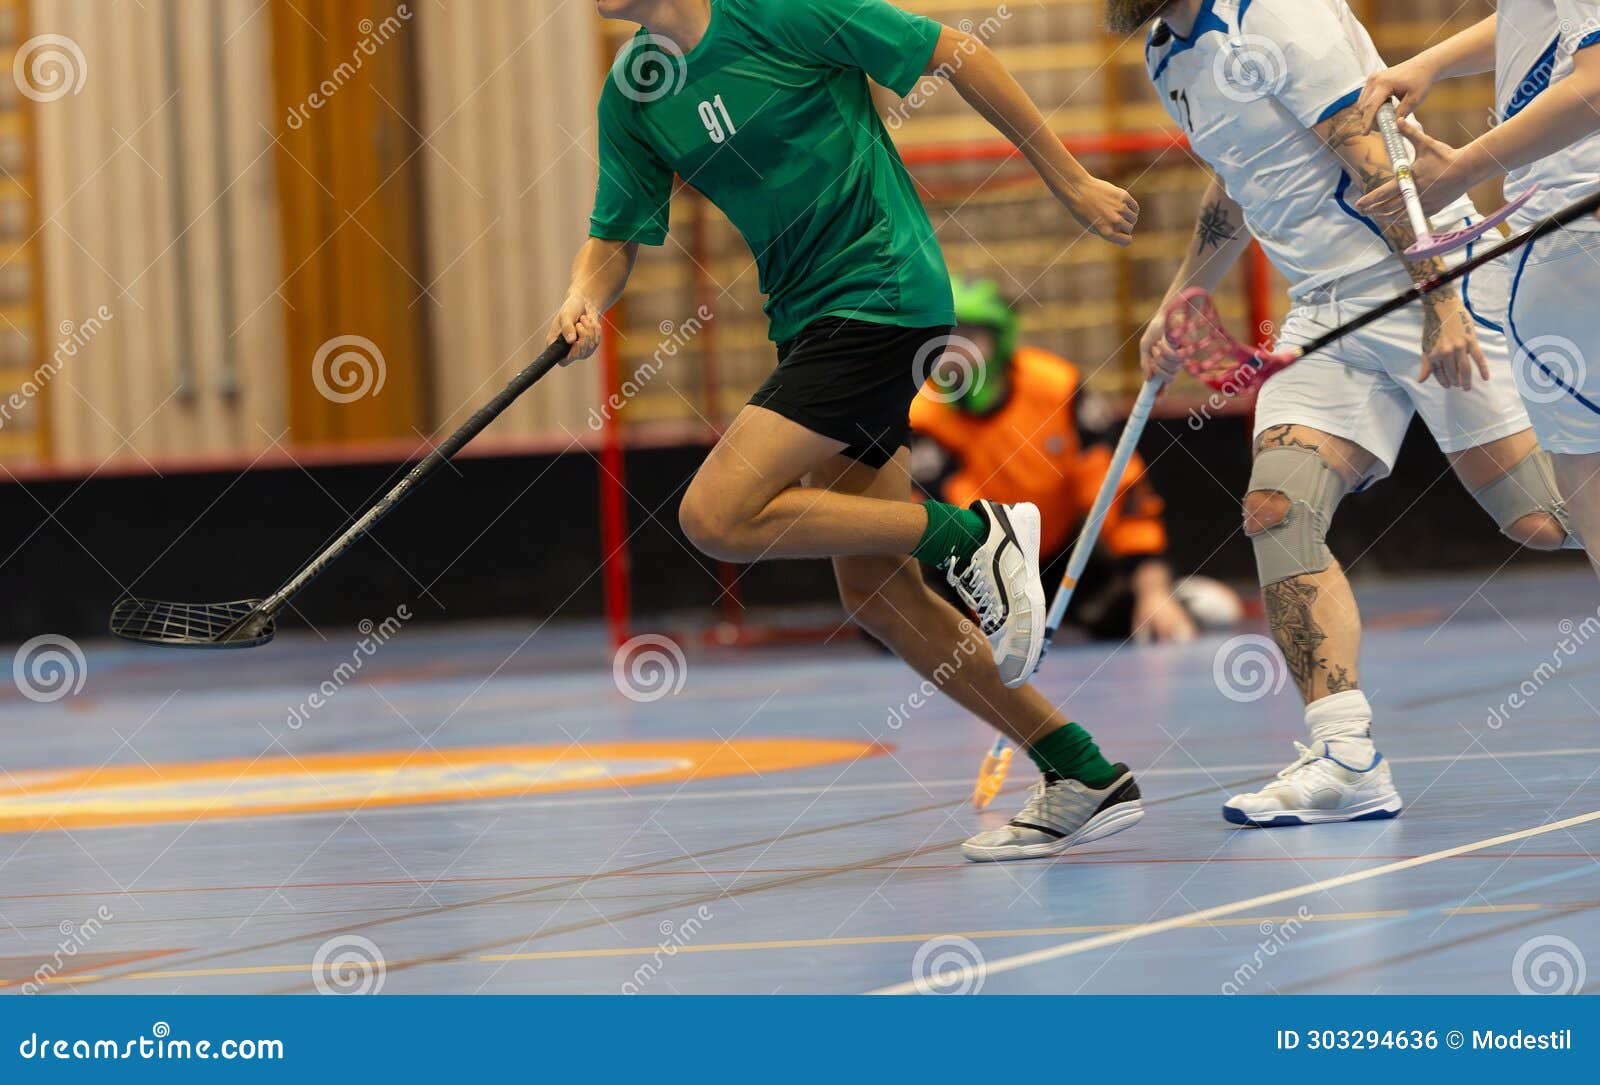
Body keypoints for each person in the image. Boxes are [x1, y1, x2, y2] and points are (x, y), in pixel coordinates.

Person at [556, 0, 1146, 861]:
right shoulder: (634, 93)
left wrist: (1070, 179)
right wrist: (582, 297)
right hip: (807, 321)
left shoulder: (776, 11)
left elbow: (956, 51)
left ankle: (971, 535)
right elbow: (613, 233)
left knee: (715, 514)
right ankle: (1081, 769)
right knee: (876, 592)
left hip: (880, 290)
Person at [1116, 0, 1581, 826]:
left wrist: (1441, 302)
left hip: (1423, 278)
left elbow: (1376, 158)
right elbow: (1237, 180)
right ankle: (1345, 755)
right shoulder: (1166, 55)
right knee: (1276, 510)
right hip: (1324, 314)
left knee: (1544, 518)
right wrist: (1182, 296)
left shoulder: (1275, 16)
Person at [1356, 1, 1600, 580]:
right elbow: (1548, 17)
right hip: (1569, 242)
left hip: (1575, 236)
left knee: (1585, 481)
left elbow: (1595, 83)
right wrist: (1433, 62)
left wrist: (1466, 167)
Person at [911, 276, 1238, 643]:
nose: (954, 353)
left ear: (1000, 341)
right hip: (969, 569)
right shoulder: (918, 412)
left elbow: (1113, 485)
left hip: (1057, 552)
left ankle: (1171, 596)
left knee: (1126, 620)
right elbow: (951, 517)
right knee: (911, 628)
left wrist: (1151, 587)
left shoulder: (1056, 387)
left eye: (969, 337)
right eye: (944, 337)